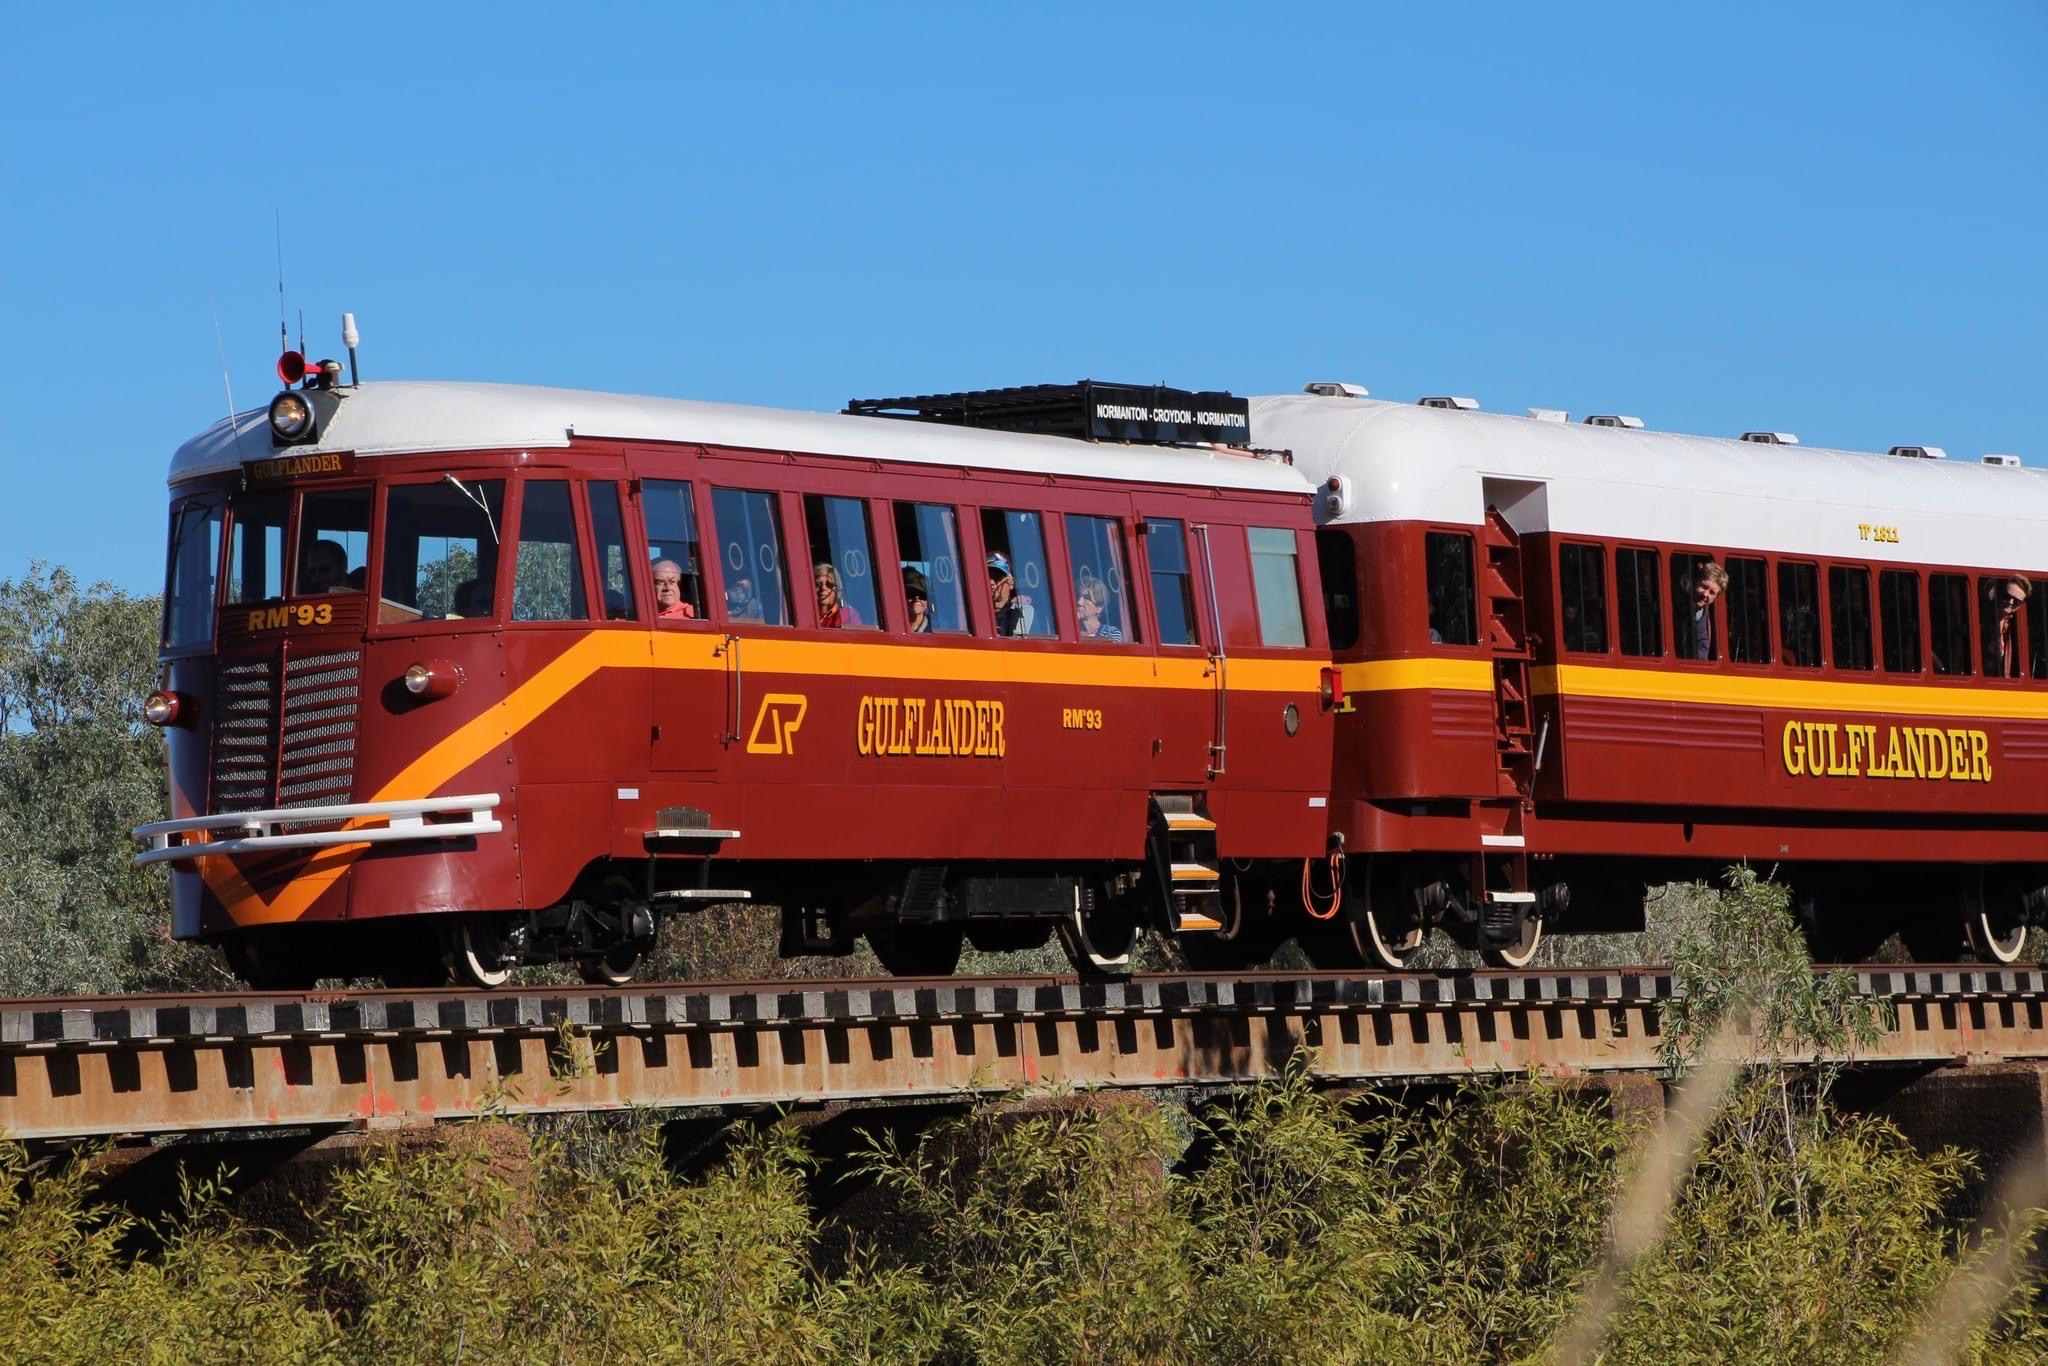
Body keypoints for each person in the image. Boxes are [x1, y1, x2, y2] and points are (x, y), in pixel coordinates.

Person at [1989, 574, 2032, 678]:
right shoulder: (1984, 617)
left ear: (2021, 605)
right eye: (2007, 596)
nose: (2010, 602)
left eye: (2016, 601)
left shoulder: (2015, 625)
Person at [1687, 561, 1728, 661]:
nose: (1706, 594)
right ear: (1696, 581)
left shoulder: (1705, 618)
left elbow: (1702, 650)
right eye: (1704, 587)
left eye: (1712, 593)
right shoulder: (1677, 604)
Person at [813, 562, 863, 628]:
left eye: (829, 584)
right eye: (818, 584)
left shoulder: (848, 615)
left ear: (838, 590)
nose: (823, 588)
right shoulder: (806, 615)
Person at [1075, 576, 1123, 642]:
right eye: (1078, 596)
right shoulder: (1071, 631)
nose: (1079, 602)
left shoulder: (1111, 633)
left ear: (1099, 608)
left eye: (1087, 598)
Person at [988, 552, 1023, 636]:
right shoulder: (973, 615)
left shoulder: (1019, 613)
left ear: (1011, 583)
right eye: (987, 576)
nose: (991, 582)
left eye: (998, 577)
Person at [903, 567, 933, 633]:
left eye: (922, 595)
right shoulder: (890, 625)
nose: (917, 598)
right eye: (911, 593)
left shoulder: (936, 630)